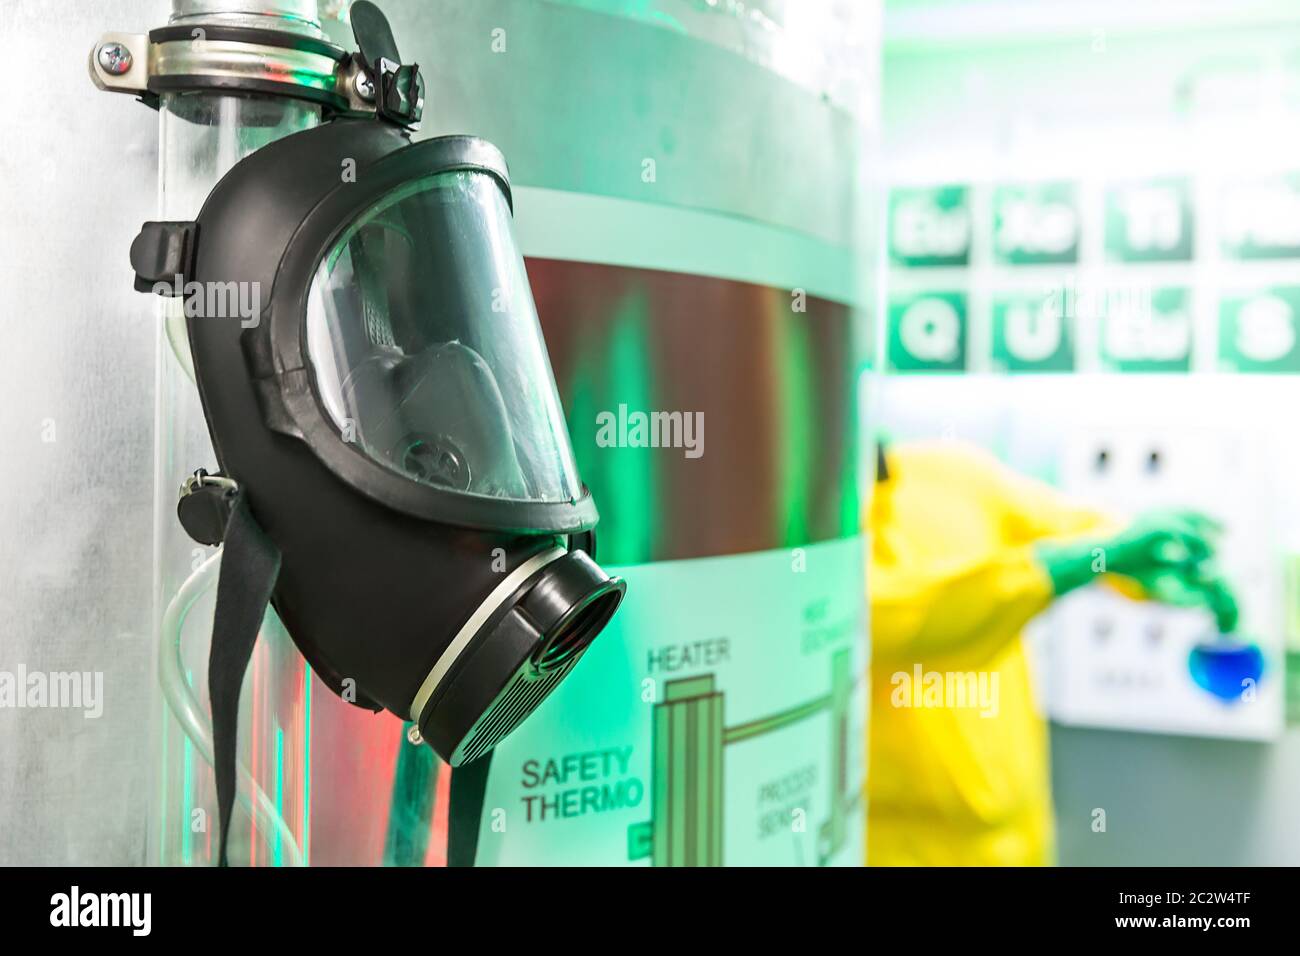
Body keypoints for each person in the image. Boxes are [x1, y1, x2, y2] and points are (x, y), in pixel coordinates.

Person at [866, 439, 1238, 866]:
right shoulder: (812, 523)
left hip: (1020, 837)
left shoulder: (951, 475)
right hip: (898, 848)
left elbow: (1080, 531)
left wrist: (1146, 563)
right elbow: (900, 615)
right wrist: (1096, 558)